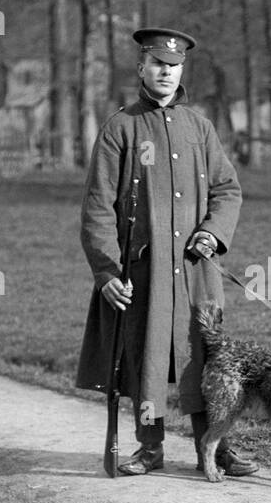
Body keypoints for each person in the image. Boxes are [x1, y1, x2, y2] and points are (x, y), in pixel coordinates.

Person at [76, 26, 258, 478]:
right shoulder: (121, 127)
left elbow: (227, 190)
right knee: (147, 355)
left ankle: (213, 448)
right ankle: (150, 448)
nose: (166, 72)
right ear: (141, 68)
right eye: (157, 63)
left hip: (197, 269)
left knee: (206, 355)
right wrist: (106, 270)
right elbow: (98, 206)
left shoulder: (200, 126)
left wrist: (213, 234)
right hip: (144, 269)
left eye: (174, 66)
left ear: (182, 72)